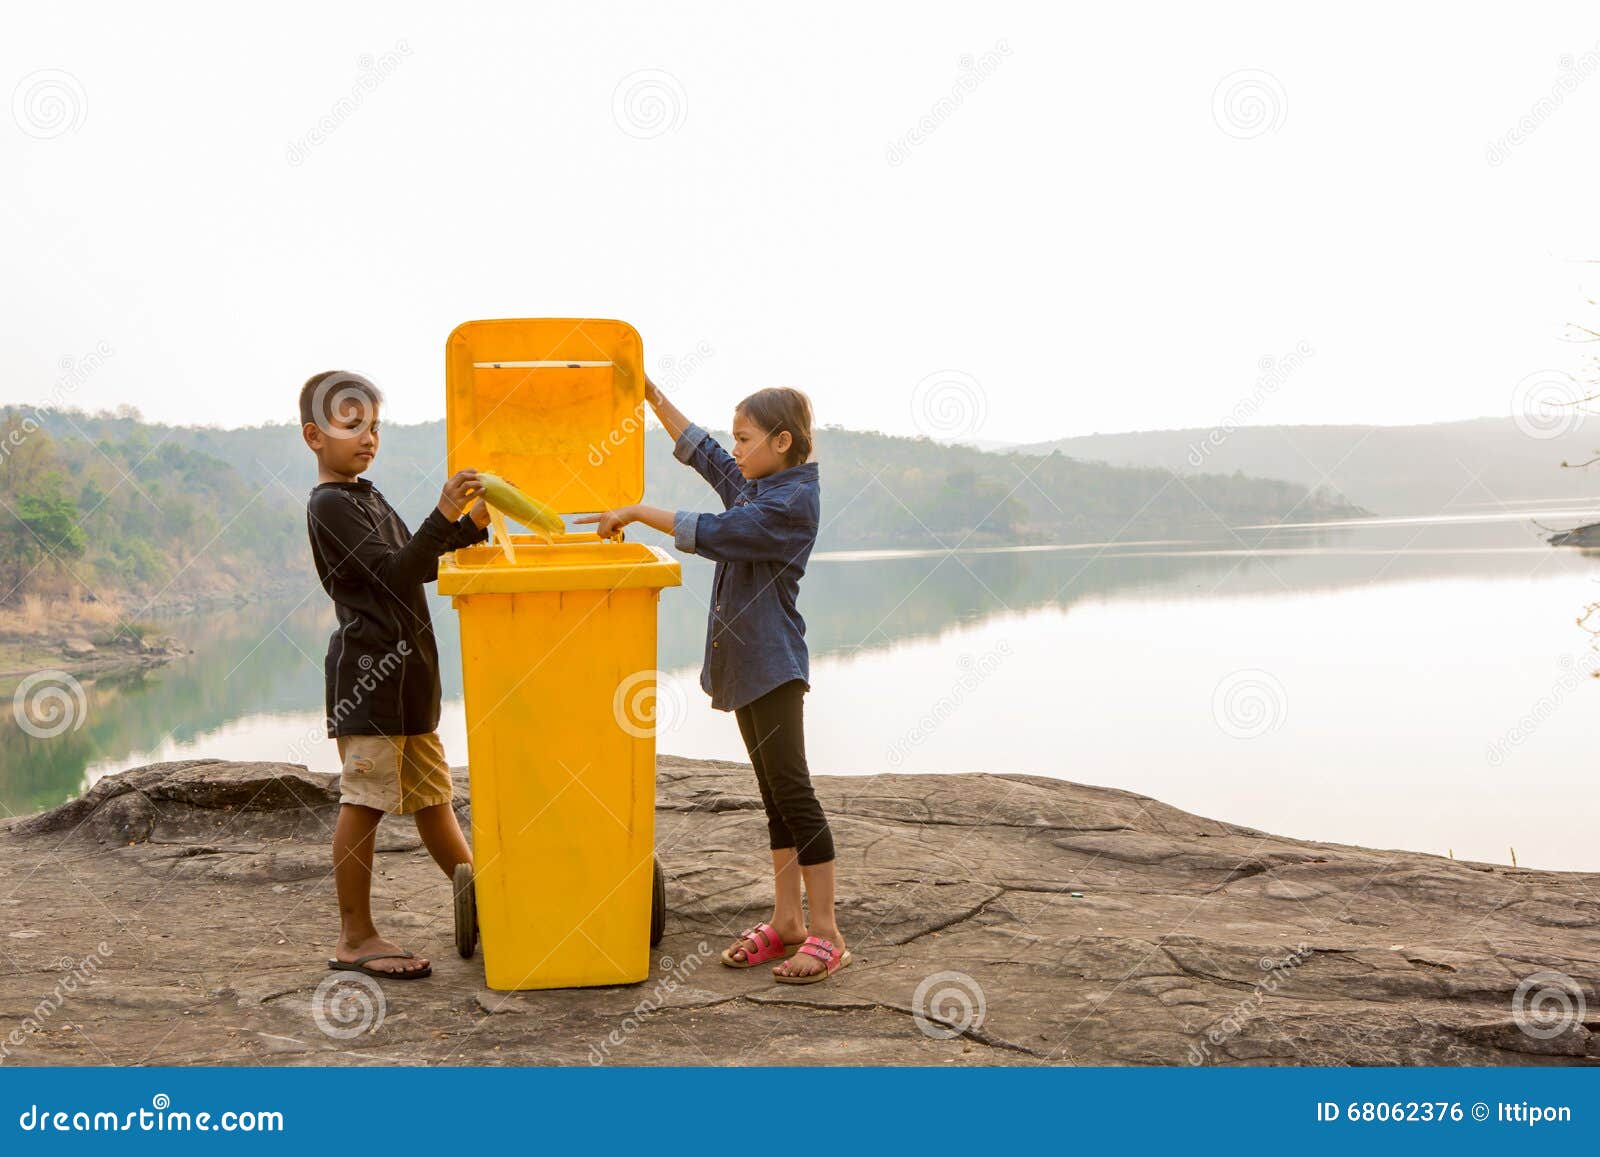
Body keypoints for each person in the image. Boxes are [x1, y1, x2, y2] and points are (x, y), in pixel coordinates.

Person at [576, 375, 849, 983]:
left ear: (782, 442)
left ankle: (827, 931)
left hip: (774, 666)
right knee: (774, 797)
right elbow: (706, 456)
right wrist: (651, 396)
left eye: (745, 439)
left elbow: (718, 533)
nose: (737, 449)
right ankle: (786, 921)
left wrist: (637, 511)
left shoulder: (787, 505)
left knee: (794, 792)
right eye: (736, 439)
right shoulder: (759, 485)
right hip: (747, 667)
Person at [299, 370, 488, 980]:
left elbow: (419, 563)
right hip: (370, 683)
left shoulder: (367, 496)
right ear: (313, 436)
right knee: (365, 801)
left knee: (434, 800)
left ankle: (485, 900)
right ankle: (356, 936)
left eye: (374, 426)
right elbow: (394, 572)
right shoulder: (330, 504)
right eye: (351, 425)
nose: (368, 437)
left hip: (411, 683)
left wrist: (470, 526)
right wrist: (442, 509)